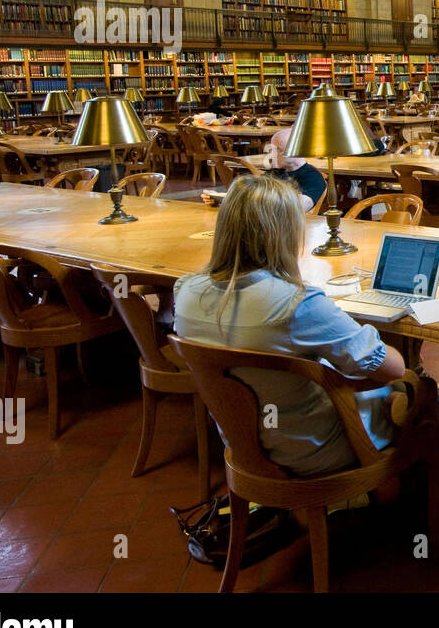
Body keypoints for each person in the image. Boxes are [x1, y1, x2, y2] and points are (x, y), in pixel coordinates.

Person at [174, 174, 409, 476]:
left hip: (242, 444)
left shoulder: (185, 292)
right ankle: (395, 499)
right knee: (419, 392)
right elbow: (391, 369)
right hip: (313, 447)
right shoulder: (295, 303)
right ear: (284, 233)